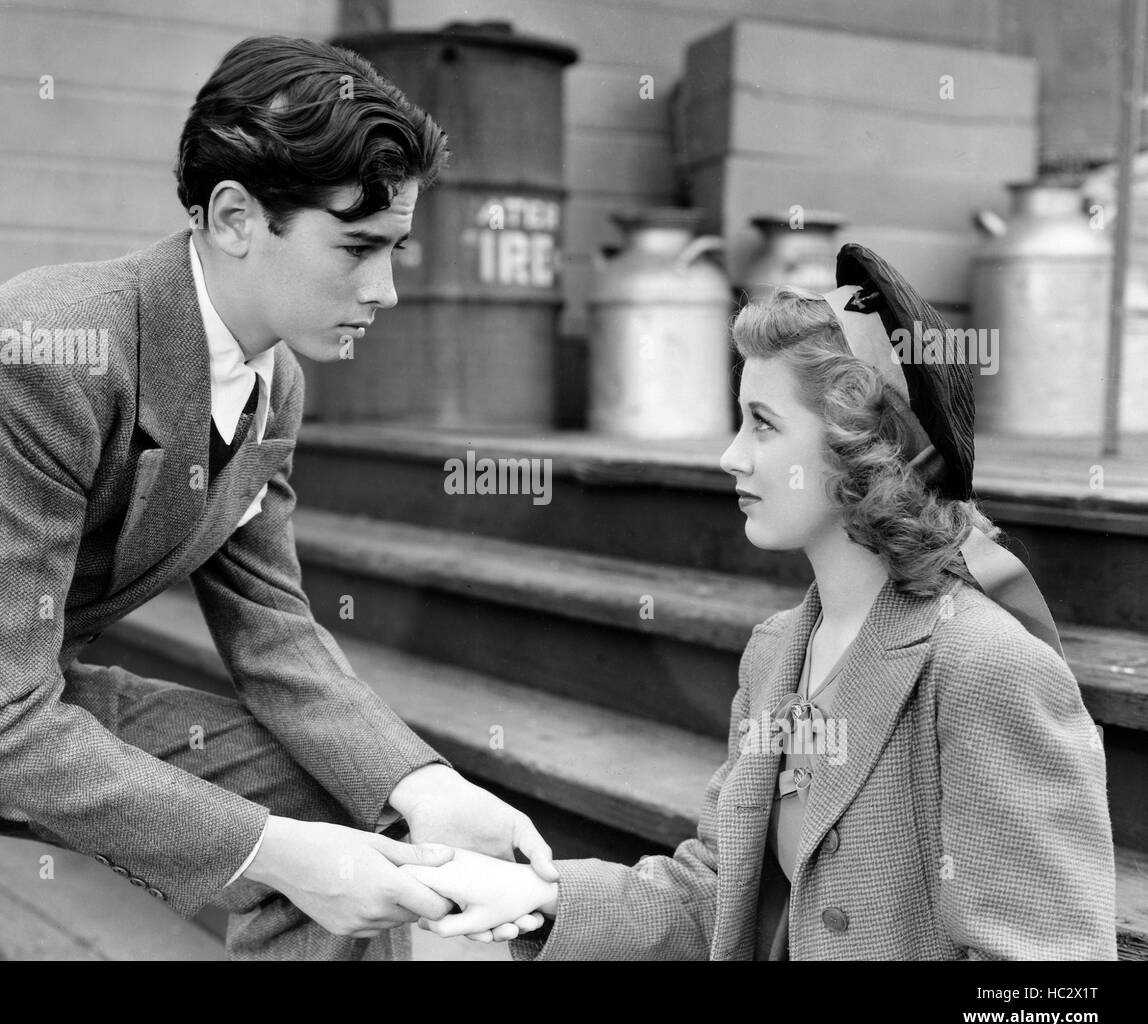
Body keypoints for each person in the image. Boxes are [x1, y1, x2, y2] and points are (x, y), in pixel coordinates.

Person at [0, 35, 556, 962]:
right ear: (233, 216)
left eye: (396, 250)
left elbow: (272, 627)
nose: (383, 290)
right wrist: (274, 854)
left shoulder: (275, 381)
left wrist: (423, 784)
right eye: (355, 246)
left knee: (340, 796)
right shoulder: (41, 358)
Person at [403, 244, 1118, 960]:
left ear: (859, 444)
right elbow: (717, 894)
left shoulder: (985, 667)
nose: (731, 455)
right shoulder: (778, 650)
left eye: (763, 423)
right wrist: (544, 897)